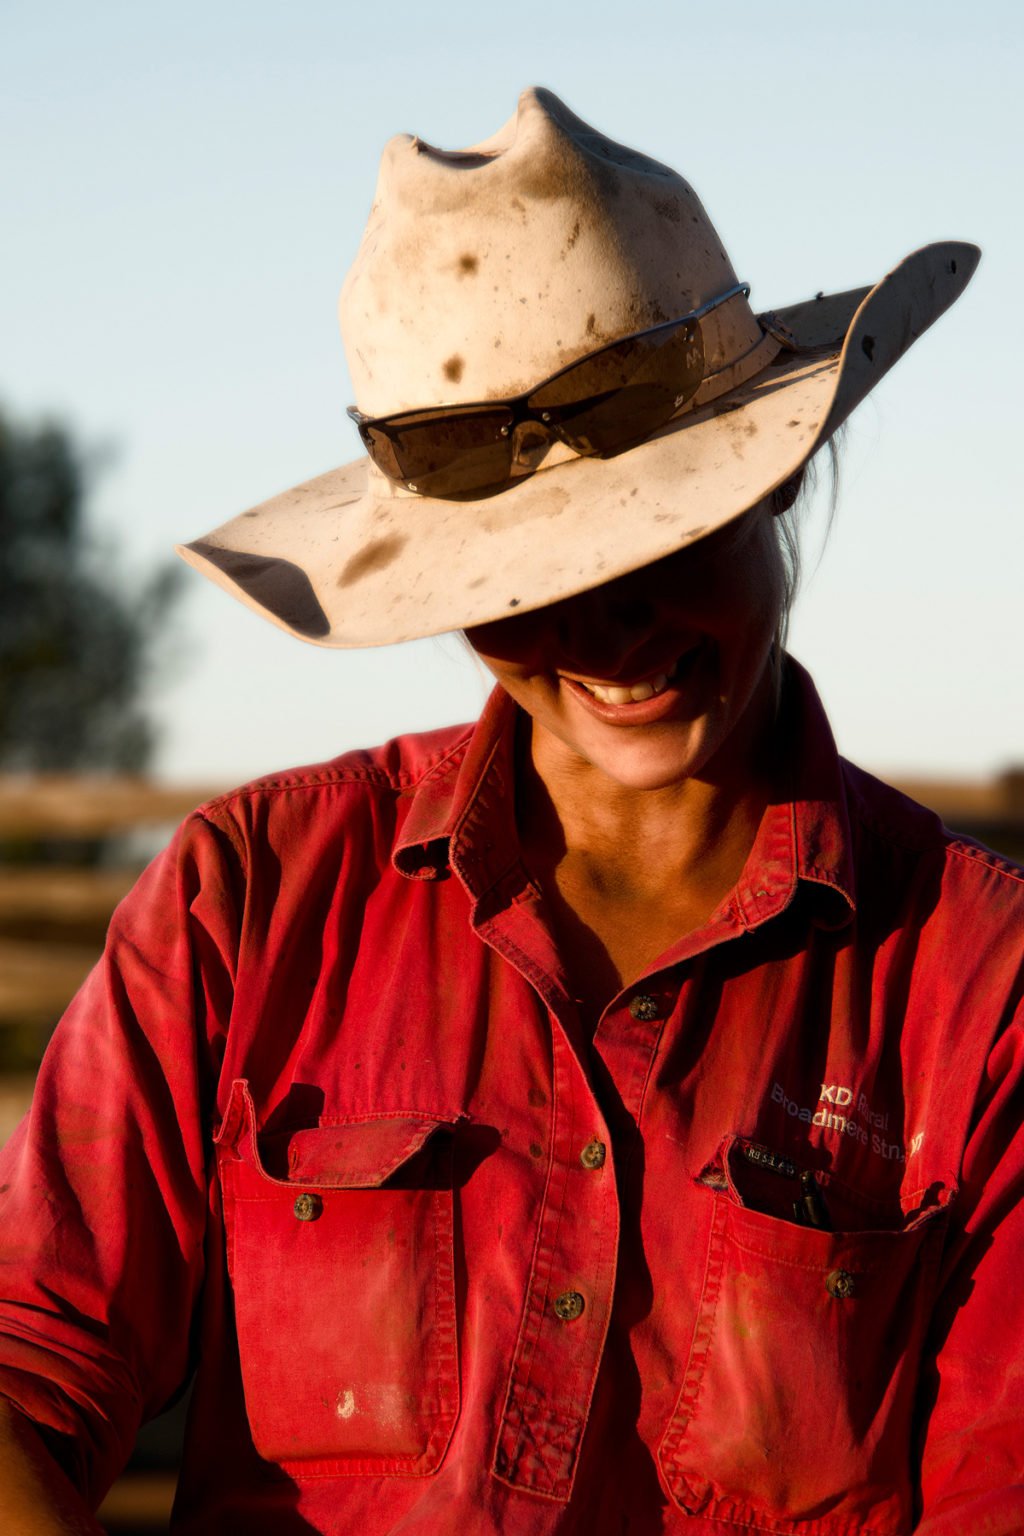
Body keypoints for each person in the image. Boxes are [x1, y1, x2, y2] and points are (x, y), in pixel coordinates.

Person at [0, 86, 1021, 1536]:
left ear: (779, 480)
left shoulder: (978, 985)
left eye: (665, 538)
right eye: (525, 583)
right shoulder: (251, 898)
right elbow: (30, 1365)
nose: (605, 631)